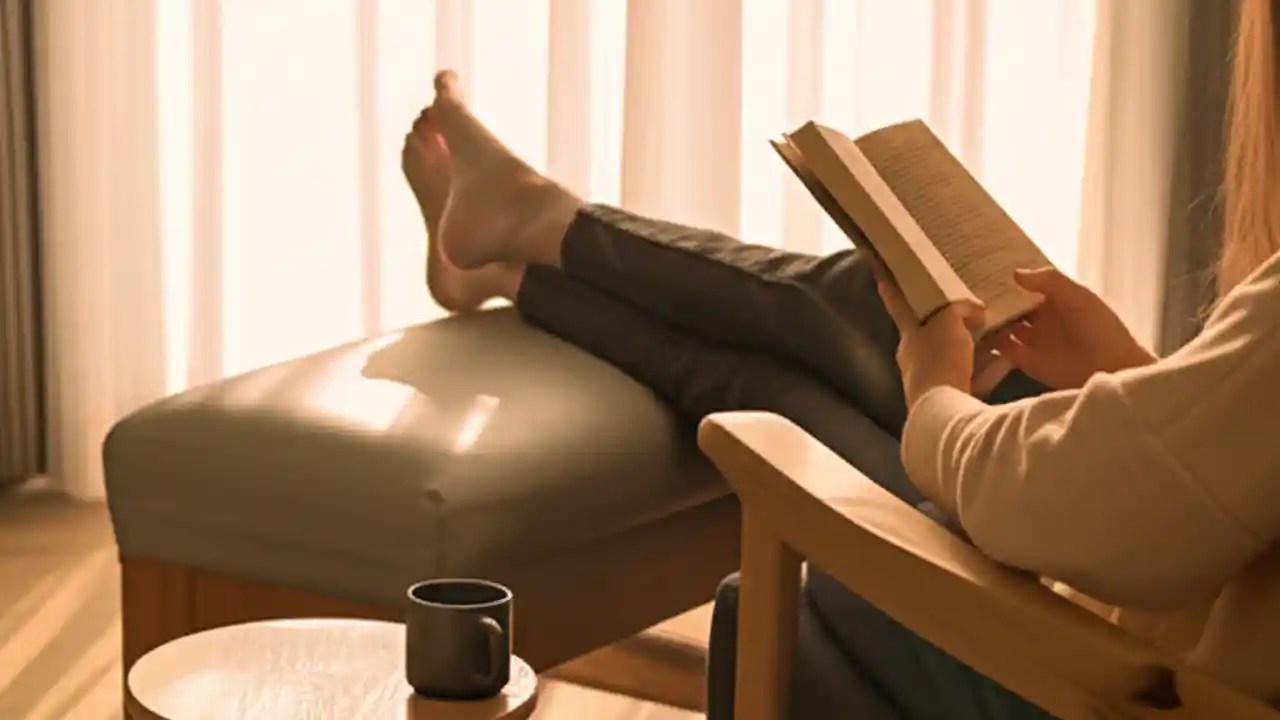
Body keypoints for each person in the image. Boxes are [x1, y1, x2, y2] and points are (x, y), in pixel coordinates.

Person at [400, 0, 1280, 710]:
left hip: (1113, 661)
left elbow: (1092, 519)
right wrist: (1126, 372)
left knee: (803, 383)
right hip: (1166, 608)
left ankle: (538, 236)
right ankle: (527, 253)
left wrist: (935, 397)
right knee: (826, 344)